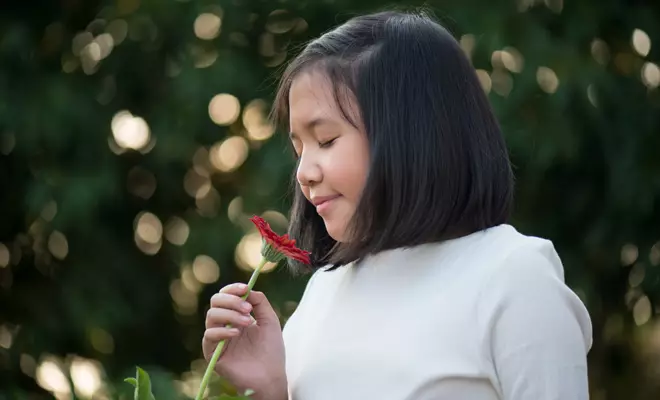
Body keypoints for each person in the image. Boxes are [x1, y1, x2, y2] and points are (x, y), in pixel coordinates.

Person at [202, 9, 593, 400]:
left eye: (325, 141)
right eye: (298, 148)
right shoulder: (322, 292)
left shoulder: (513, 278)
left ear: (413, 135)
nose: (304, 173)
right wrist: (271, 389)